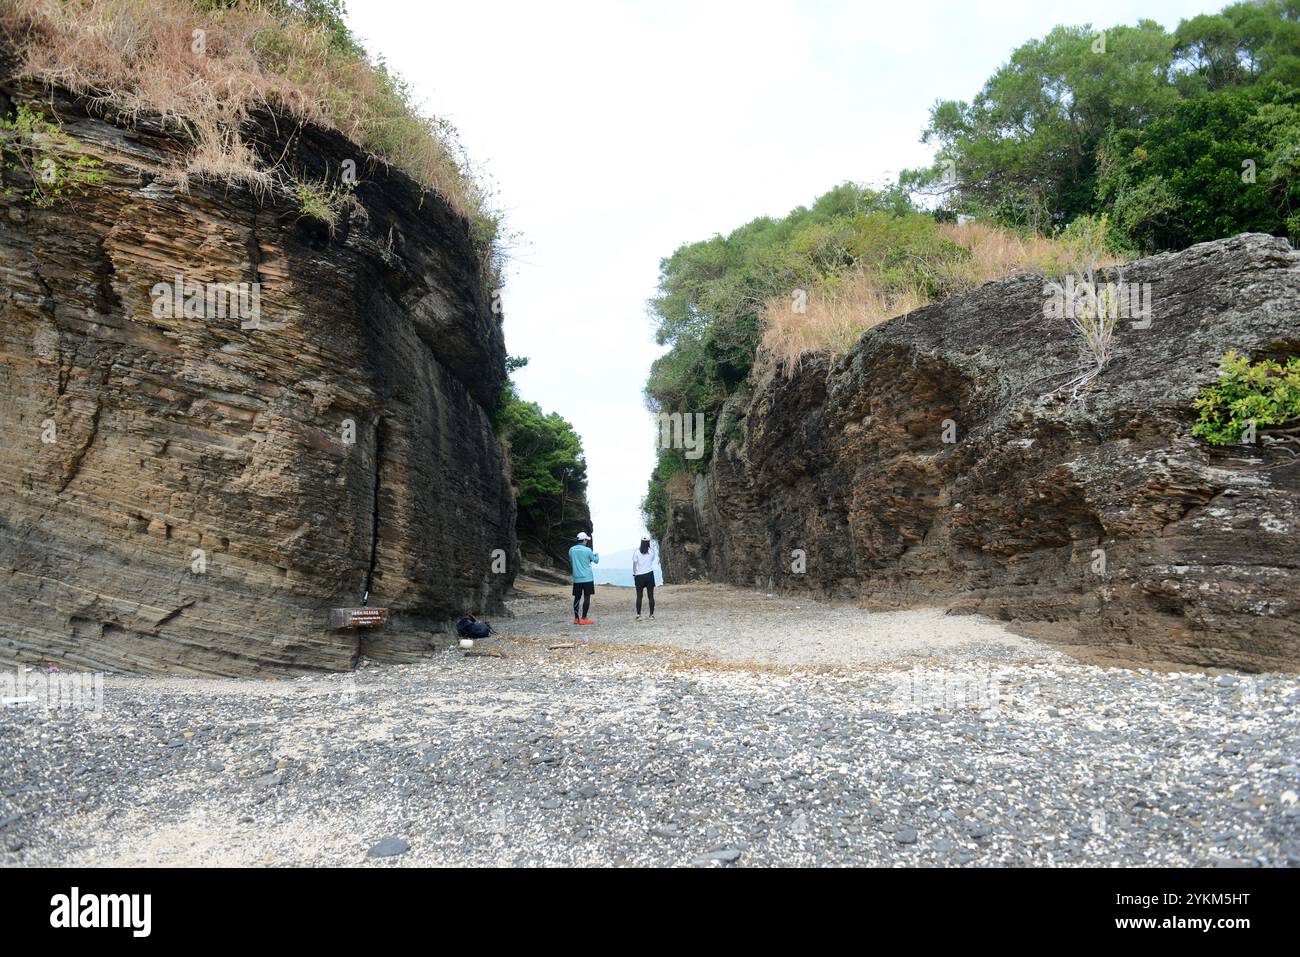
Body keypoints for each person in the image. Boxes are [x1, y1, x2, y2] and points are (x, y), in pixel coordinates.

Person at [568, 531, 599, 624]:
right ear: (584, 540)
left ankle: (576, 618)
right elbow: (596, 560)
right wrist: (597, 555)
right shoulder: (588, 550)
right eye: (586, 540)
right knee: (586, 597)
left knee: (577, 597)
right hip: (587, 578)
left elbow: (571, 560)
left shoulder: (571, 550)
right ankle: (584, 618)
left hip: (577, 578)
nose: (587, 542)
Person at [633, 535, 658, 620]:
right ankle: (651, 615)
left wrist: (634, 574)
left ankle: (638, 615)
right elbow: (651, 560)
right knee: (650, 596)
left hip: (639, 575)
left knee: (639, 596)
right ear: (648, 542)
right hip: (649, 574)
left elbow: (634, 565)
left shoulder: (636, 552)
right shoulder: (651, 551)